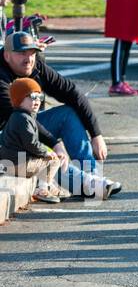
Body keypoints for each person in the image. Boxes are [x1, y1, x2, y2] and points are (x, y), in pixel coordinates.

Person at [0, 31, 123, 198]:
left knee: (67, 115)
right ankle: (85, 184)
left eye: (32, 53)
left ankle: (93, 176)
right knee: (44, 150)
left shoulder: (35, 67)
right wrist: (54, 143)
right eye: (22, 53)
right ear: (7, 55)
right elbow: (20, 120)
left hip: (20, 128)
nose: (28, 59)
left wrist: (96, 134)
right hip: (5, 140)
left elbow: (73, 94)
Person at [0, 78, 69, 203]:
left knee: (46, 160)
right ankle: (41, 189)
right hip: (18, 163)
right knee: (53, 160)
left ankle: (49, 186)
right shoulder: (23, 119)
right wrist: (47, 152)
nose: (37, 100)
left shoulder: (21, 116)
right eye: (32, 96)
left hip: (12, 162)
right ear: (19, 99)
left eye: (40, 97)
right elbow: (31, 143)